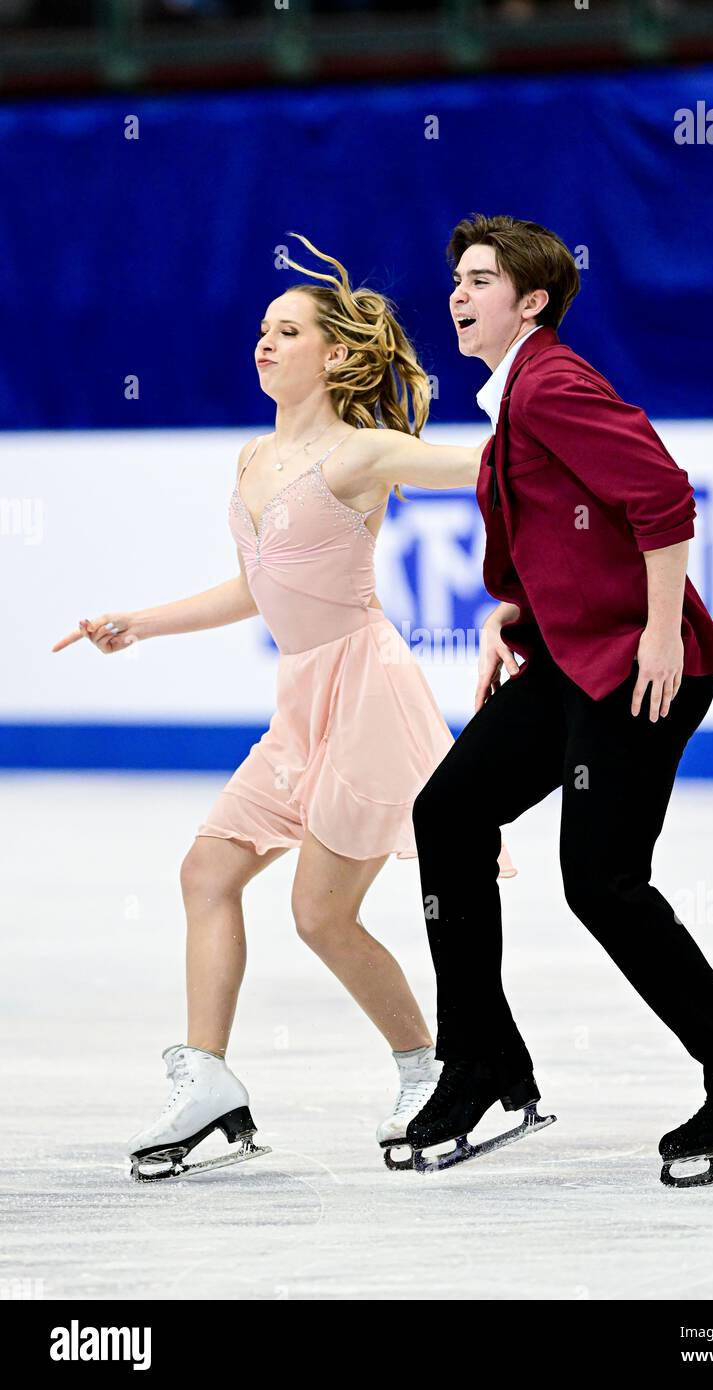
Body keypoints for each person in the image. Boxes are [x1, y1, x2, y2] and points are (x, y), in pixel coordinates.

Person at [51, 232, 515, 1180]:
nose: (264, 342)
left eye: (287, 331)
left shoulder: (364, 454)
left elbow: (499, 469)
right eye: (263, 329)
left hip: (367, 693)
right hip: (299, 700)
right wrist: (138, 622)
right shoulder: (253, 457)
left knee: (319, 914)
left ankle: (430, 1070)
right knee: (205, 872)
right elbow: (255, 588)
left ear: (337, 354)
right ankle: (211, 1082)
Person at [405, 214, 713, 1184]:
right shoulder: (515, 396)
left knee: (599, 882)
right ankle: (479, 1063)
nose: (457, 294)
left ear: (531, 299)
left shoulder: (549, 382)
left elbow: (662, 496)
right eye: (454, 279)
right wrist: (517, 611)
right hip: (573, 661)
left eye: (477, 280)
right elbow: (562, 529)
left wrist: (663, 633)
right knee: (449, 810)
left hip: (637, 671)